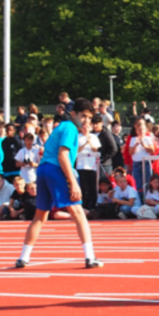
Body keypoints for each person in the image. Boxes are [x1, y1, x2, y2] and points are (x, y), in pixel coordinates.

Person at [14, 98, 104, 269]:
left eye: (89, 118)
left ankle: (23, 257)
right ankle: (90, 257)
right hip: (56, 170)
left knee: (40, 216)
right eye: (83, 116)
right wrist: (73, 182)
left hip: (43, 170)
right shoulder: (70, 129)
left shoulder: (61, 127)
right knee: (79, 213)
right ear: (73, 114)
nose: (86, 120)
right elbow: (63, 156)